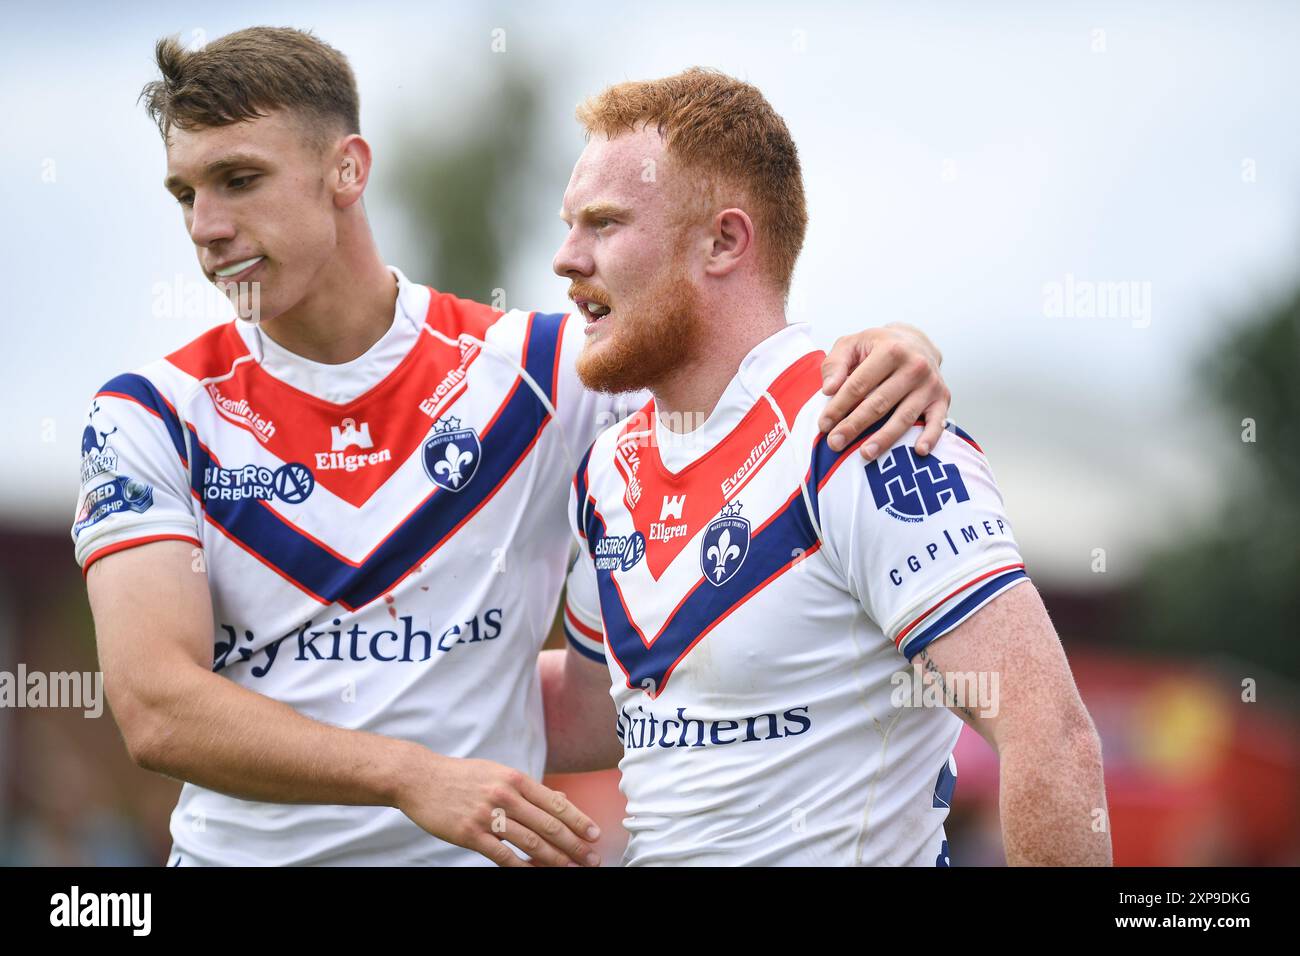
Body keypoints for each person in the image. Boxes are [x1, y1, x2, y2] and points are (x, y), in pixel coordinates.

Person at [73, 28, 955, 866]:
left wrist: (892, 345)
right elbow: (157, 709)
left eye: (238, 179)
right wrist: (410, 774)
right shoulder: (152, 414)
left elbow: (733, 362)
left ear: (348, 170)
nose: (205, 227)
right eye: (186, 194)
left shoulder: (546, 373)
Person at [544, 69, 1111, 866]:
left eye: (602, 223)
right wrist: (344, 703)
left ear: (724, 242)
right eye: (570, 226)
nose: (566, 257)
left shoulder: (862, 431)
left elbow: (1050, 735)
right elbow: (588, 711)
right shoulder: (611, 466)